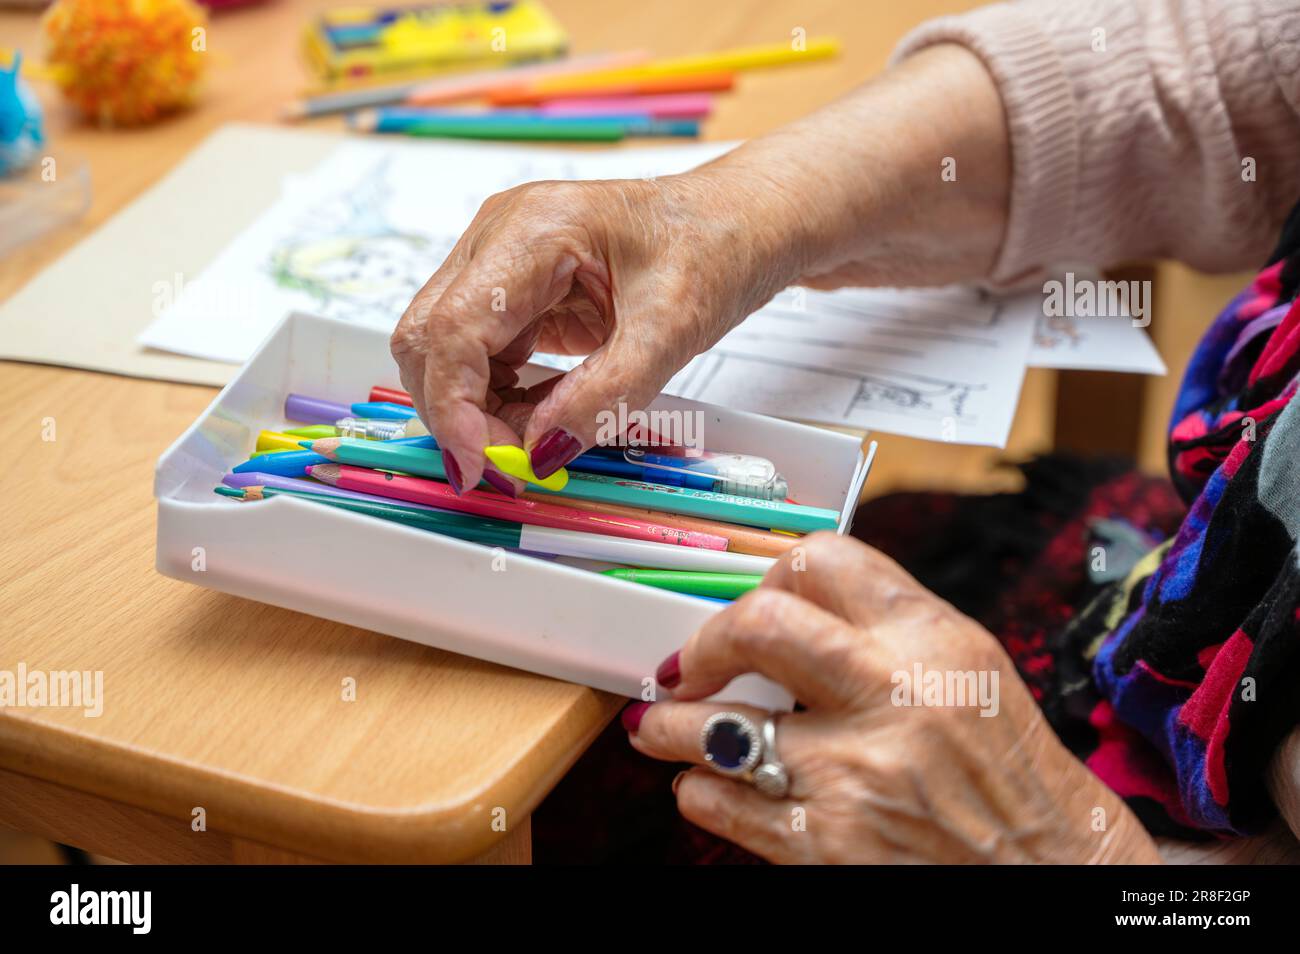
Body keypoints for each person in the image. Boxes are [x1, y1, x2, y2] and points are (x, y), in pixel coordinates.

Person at [391, 0, 1300, 862]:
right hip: (1185, 608)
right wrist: (709, 218)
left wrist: (1069, 847)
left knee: (513, 805)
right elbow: (1200, 79)